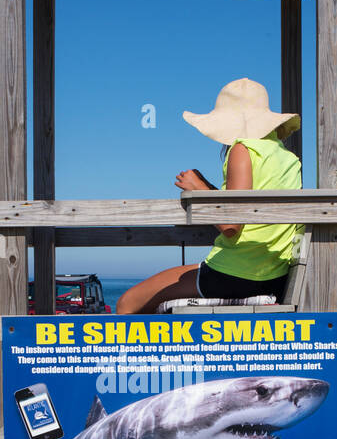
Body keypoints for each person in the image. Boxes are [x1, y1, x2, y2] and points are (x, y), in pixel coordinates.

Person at [116, 79, 301, 313]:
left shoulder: (243, 149)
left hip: (235, 272)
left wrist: (198, 191)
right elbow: (246, 204)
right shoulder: (288, 159)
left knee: (128, 303)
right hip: (274, 275)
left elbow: (232, 225)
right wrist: (210, 189)